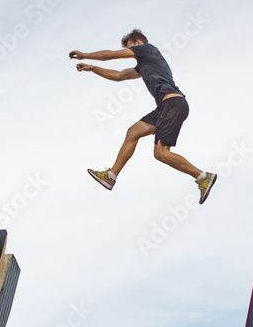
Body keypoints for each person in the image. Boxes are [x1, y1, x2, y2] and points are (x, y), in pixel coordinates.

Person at [69, 29, 217, 204]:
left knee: (161, 154)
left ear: (138, 43)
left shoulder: (147, 49)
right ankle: (111, 176)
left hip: (173, 104)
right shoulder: (145, 64)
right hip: (165, 107)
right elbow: (119, 76)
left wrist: (84, 55)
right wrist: (92, 68)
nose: (131, 53)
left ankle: (202, 177)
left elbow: (110, 55)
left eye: (130, 48)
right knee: (133, 132)